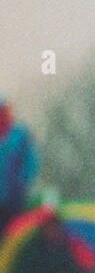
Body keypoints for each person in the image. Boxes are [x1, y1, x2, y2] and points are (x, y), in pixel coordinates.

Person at [0, 97, 40, 228]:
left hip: (14, 198)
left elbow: (31, 162)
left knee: (13, 234)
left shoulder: (20, 135)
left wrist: (21, 182)